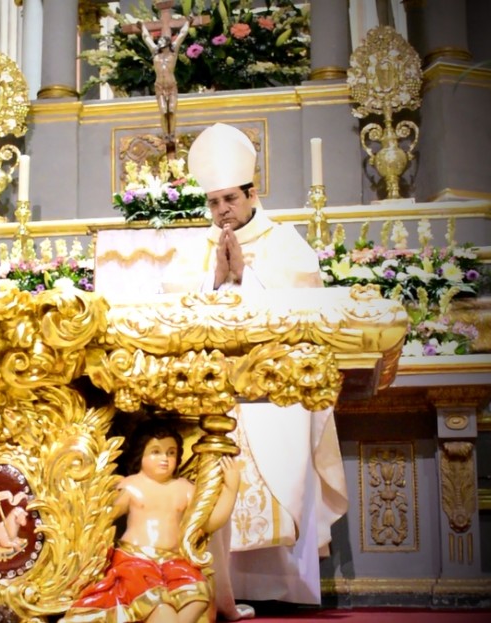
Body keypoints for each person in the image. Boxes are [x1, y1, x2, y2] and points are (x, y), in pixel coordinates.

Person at [167, 123, 349, 616]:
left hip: (275, 394)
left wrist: (247, 277)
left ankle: (283, 586)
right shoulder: (197, 249)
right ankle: (224, 588)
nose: (221, 210)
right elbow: (174, 307)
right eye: (213, 202)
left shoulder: (286, 243)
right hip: (216, 391)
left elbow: (306, 306)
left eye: (229, 198)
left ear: (252, 193)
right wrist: (215, 278)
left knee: (281, 467)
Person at [62, 419, 240, 623]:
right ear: (141, 455)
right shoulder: (131, 485)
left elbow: (208, 523)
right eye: (156, 452)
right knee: (160, 607)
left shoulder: (184, 488)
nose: (164, 458)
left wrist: (230, 490)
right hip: (135, 561)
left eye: (171, 452)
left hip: (174, 562)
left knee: (198, 595)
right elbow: (104, 516)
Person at [140, 20, 191, 147]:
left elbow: (182, 34)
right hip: (160, 86)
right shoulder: (155, 53)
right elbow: (146, 38)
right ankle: (165, 134)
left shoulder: (173, 54)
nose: (161, 47)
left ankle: (172, 133)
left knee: (172, 110)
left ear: (167, 45)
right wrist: (142, 26)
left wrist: (188, 22)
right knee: (163, 111)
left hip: (171, 85)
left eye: (163, 45)